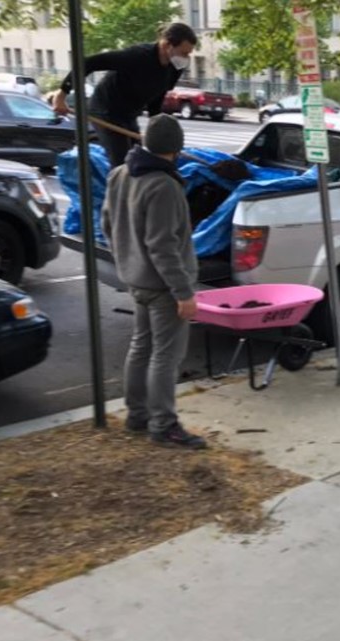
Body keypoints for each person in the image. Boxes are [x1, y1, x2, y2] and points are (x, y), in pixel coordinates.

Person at [101, 114, 206, 450]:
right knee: (166, 356)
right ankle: (164, 424)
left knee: (141, 346)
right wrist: (184, 292)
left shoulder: (120, 173)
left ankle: (137, 415)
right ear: (177, 149)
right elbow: (163, 246)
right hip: (163, 287)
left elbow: (107, 224)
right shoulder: (164, 185)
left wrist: (127, 258)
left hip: (136, 279)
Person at [54, 22, 197, 168]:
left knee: (141, 161)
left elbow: (157, 97)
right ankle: (116, 186)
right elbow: (88, 63)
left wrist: (157, 126)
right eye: (184, 53)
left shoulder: (174, 68)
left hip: (129, 114)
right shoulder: (137, 56)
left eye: (189, 54)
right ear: (167, 45)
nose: (186, 58)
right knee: (123, 165)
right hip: (106, 111)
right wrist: (62, 94)